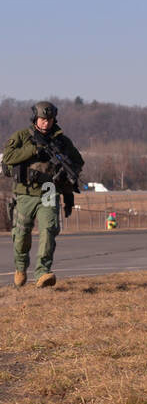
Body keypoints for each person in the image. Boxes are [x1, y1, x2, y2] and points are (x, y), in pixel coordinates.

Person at [4, 102, 83, 288]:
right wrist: (33, 149)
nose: (46, 123)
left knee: (49, 230)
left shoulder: (62, 141)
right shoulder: (23, 136)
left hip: (49, 190)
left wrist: (67, 179)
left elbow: (78, 162)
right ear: (35, 119)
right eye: (42, 119)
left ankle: (43, 273)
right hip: (25, 192)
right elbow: (8, 158)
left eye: (49, 120)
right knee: (21, 234)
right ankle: (21, 268)